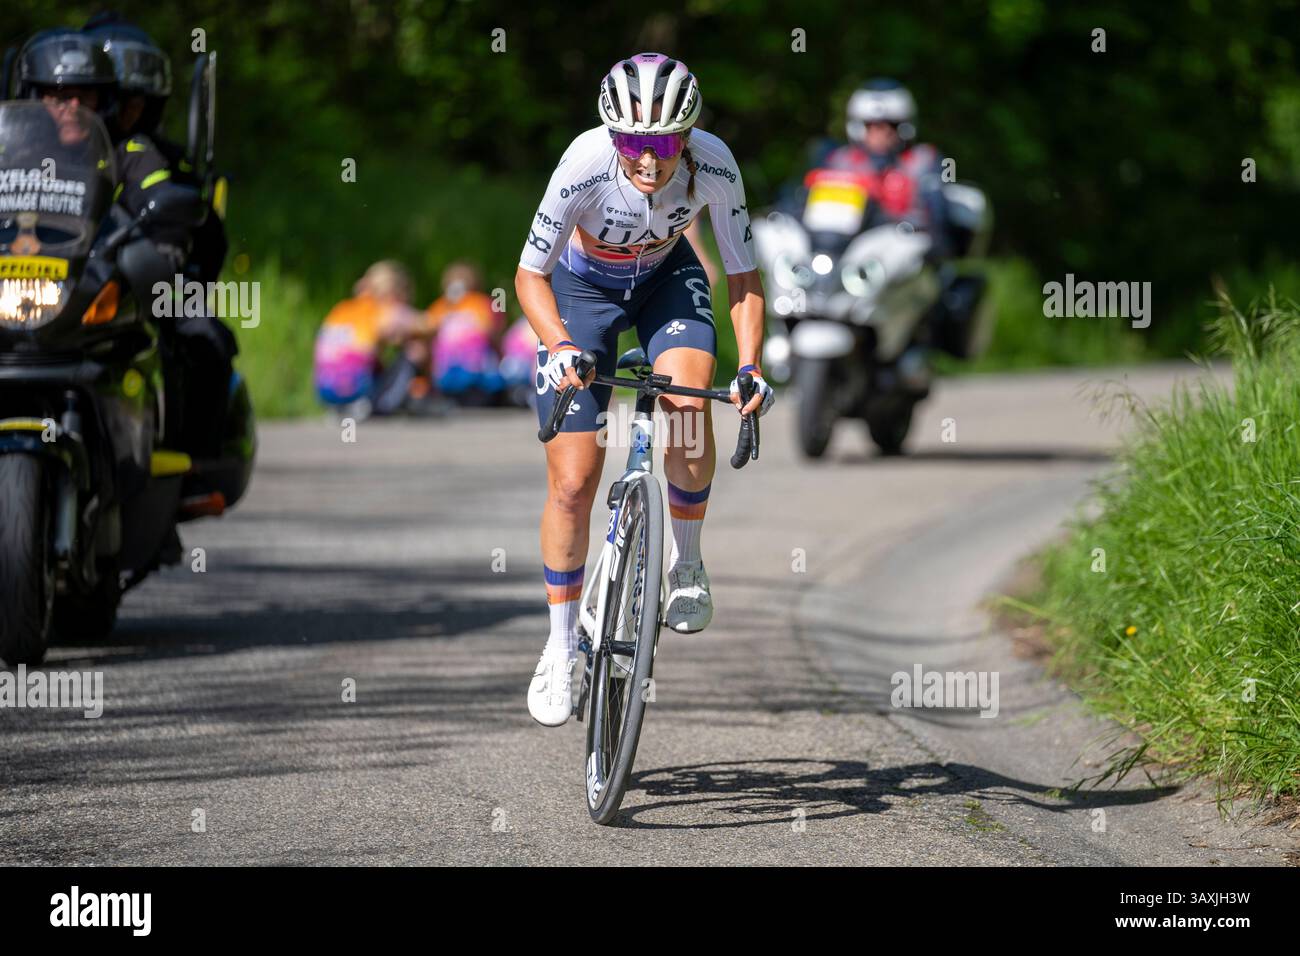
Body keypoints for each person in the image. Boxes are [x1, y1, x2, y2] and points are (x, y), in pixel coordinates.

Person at [515, 52, 774, 726]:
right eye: (634, 143)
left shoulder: (714, 163)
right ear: (612, 135)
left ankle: (685, 562)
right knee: (573, 481)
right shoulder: (583, 163)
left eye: (663, 143)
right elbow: (529, 277)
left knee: (687, 410)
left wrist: (749, 365)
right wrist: (564, 346)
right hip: (580, 291)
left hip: (666, 282)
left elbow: (743, 276)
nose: (650, 161)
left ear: (686, 135)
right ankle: (559, 644)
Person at [821, 79, 951, 258]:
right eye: (872, 126)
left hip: (900, 252)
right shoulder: (841, 161)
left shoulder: (922, 160)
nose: (882, 134)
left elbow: (936, 220)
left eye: (890, 125)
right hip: (843, 251)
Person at [314, 261, 426, 419]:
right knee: (414, 351)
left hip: (326, 389)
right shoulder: (382, 310)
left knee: (371, 359)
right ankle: (376, 403)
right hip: (356, 388)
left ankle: (342, 405)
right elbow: (426, 324)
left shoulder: (341, 308)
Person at [424, 262, 505, 403]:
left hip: (475, 362)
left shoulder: (480, 303)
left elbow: (491, 327)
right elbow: (429, 325)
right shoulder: (442, 305)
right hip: (447, 362)